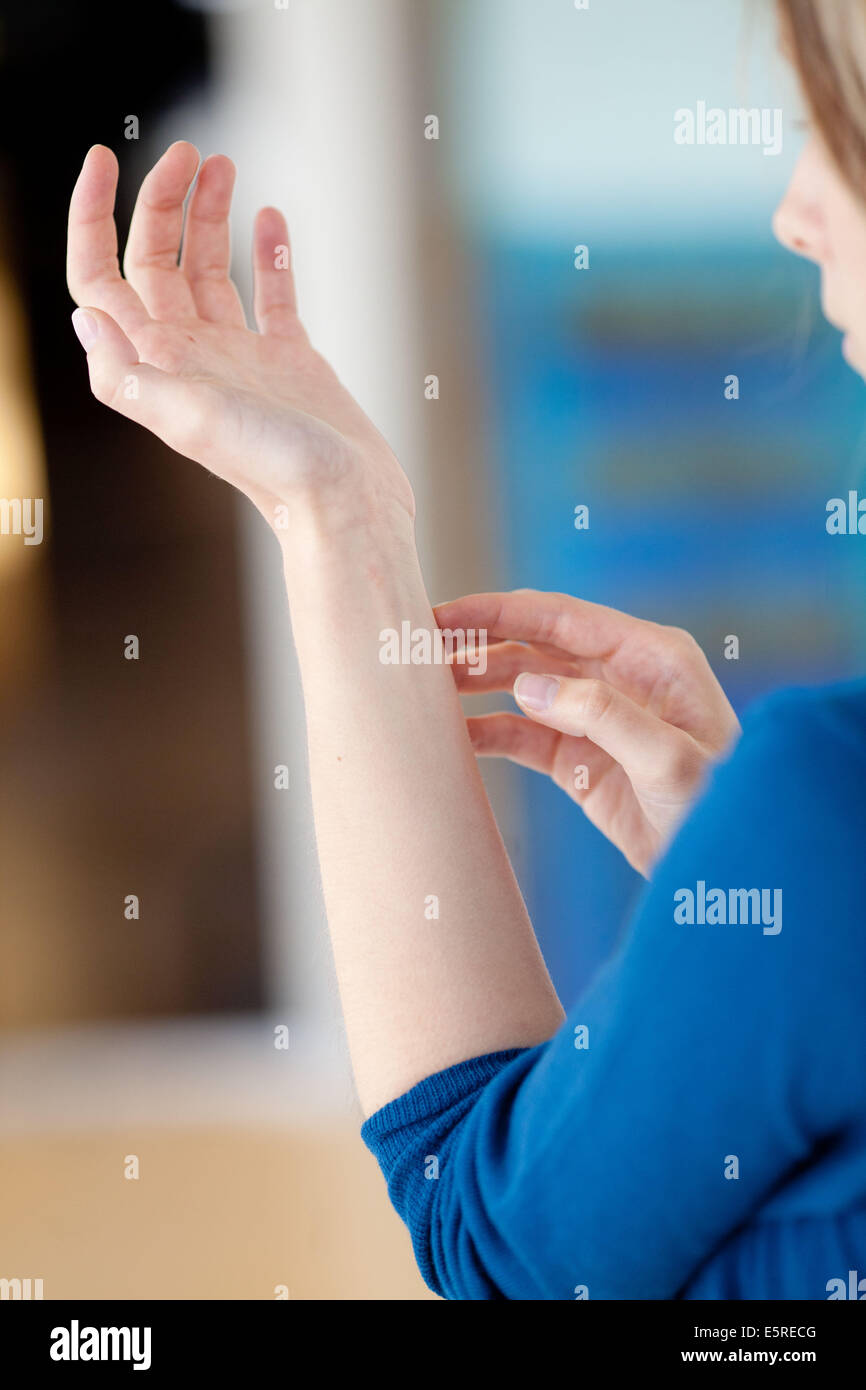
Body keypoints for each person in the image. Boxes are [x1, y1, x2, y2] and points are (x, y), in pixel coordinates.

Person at [66, 0, 866, 1299]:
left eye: (817, 126)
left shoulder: (825, 804)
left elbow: (484, 1233)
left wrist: (334, 514)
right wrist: (763, 887)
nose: (794, 207)